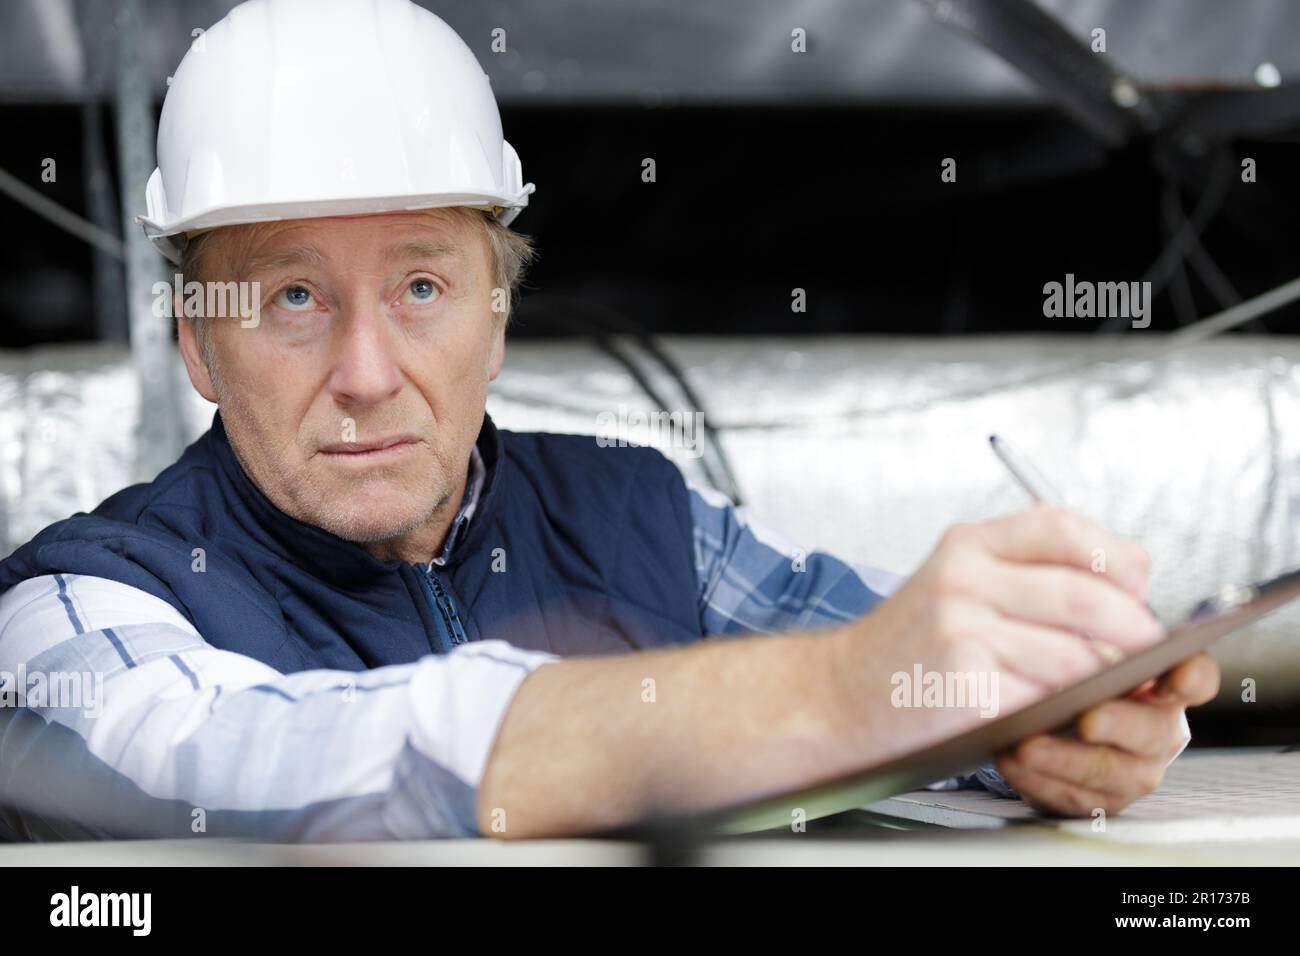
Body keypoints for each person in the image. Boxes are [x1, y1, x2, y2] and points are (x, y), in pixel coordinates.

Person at [0, 0, 1216, 841]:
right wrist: (841, 690)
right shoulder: (79, 605)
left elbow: (905, 673)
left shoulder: (638, 516)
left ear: (497, 313)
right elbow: (239, 761)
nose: (367, 371)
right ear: (198, 341)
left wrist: (1052, 712)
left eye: (422, 286)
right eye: (293, 296)